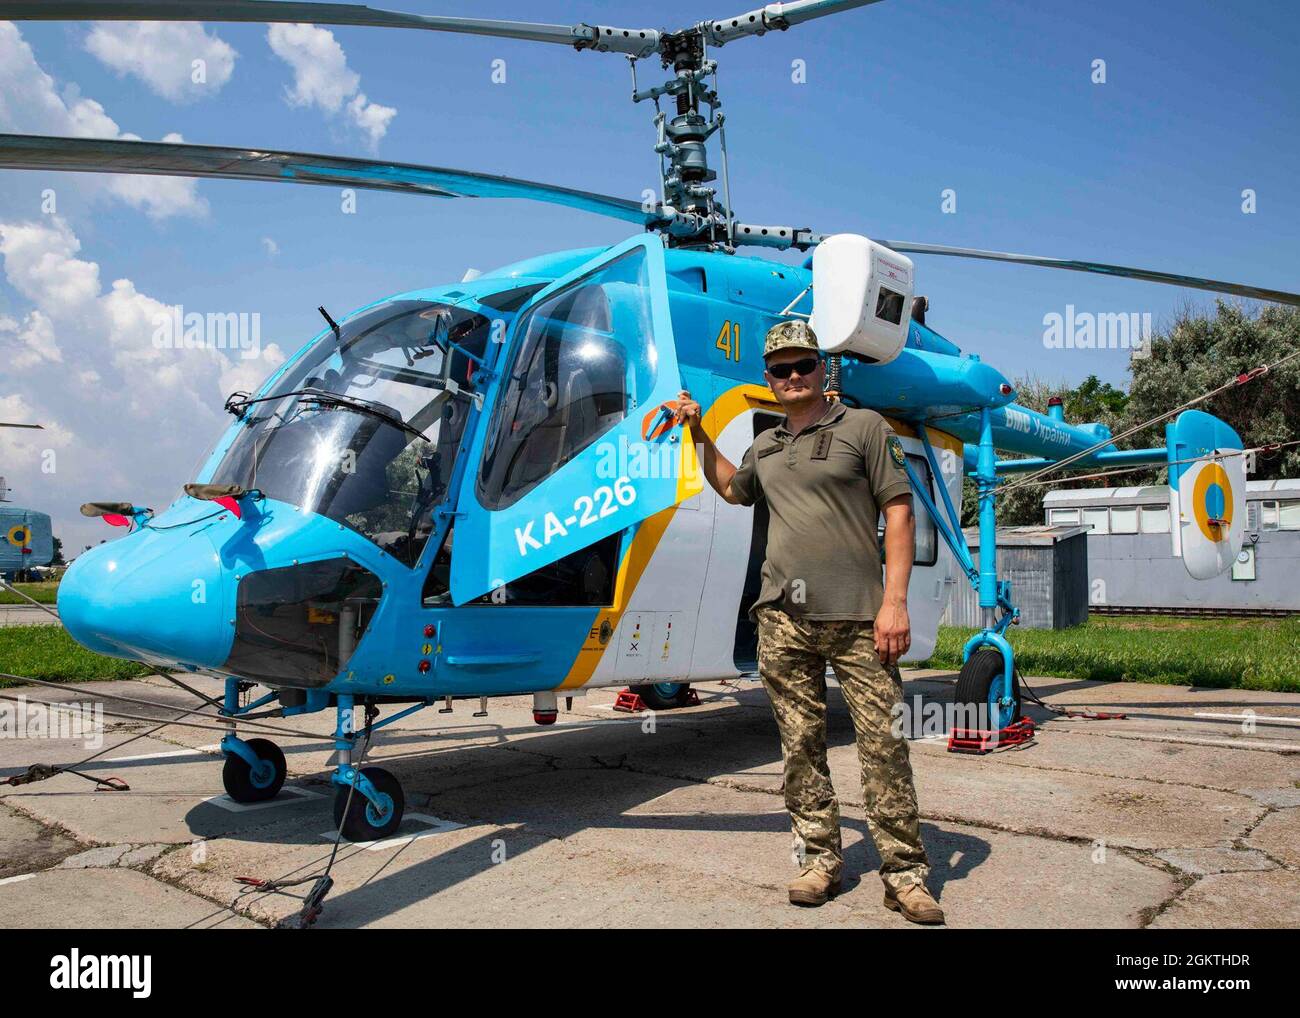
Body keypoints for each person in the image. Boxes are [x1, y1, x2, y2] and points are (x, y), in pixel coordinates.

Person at [675, 319, 944, 924]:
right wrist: (696, 431)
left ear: (824, 369)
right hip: (783, 620)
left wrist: (895, 603)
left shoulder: (864, 428)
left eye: (803, 366)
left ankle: (904, 874)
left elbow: (898, 513)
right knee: (800, 747)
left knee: (884, 746)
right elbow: (731, 488)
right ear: (768, 379)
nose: (793, 377)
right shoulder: (766, 445)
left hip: (857, 618)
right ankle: (820, 859)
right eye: (780, 369)